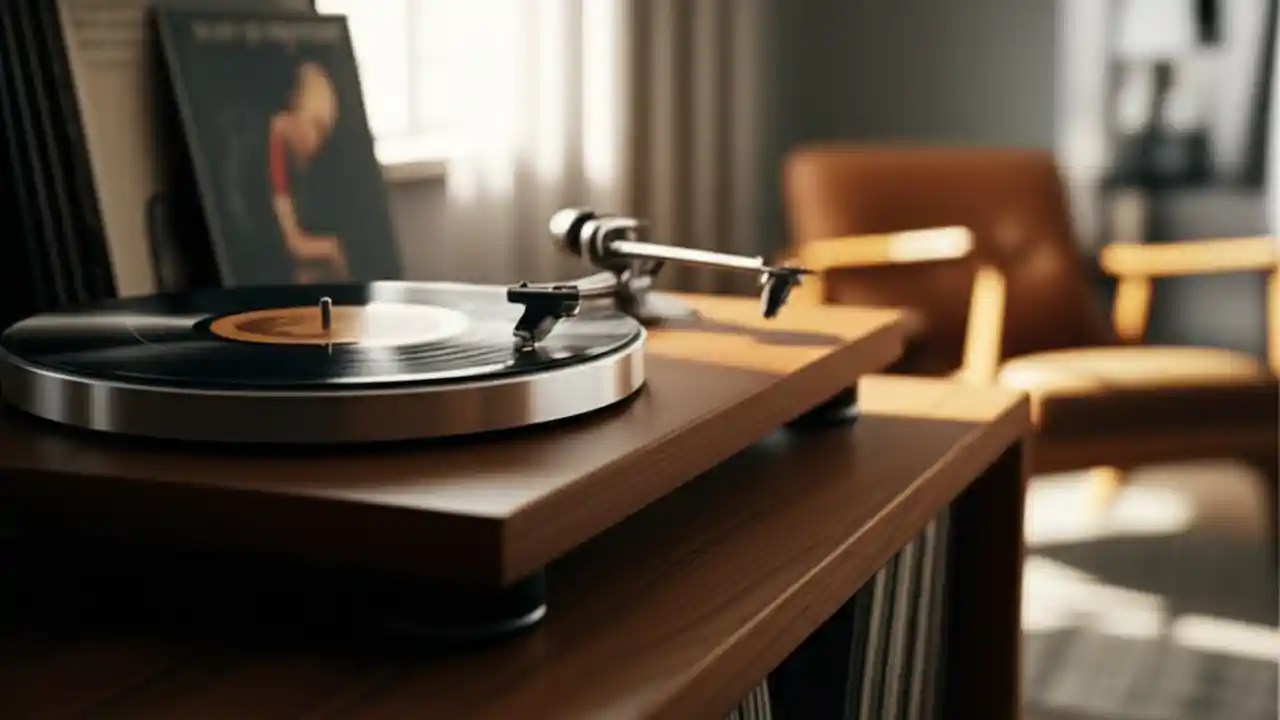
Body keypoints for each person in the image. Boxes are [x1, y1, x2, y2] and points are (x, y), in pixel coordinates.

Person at [267, 61, 348, 283]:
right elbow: (292, 243)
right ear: (296, 107)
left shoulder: (286, 154)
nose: (318, 143)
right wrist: (331, 250)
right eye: (316, 127)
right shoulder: (273, 145)